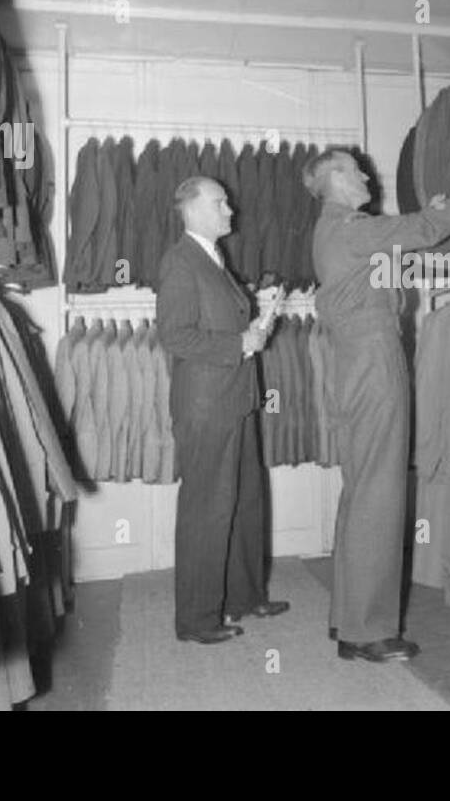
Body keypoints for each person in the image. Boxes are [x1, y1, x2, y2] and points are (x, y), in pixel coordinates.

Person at [305, 148, 450, 662]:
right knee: (381, 491)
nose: (365, 174)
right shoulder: (350, 227)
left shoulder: (341, 232)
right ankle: (369, 631)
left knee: (362, 488)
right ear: (333, 180)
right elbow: (423, 232)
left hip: (358, 361)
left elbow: (424, 250)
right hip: (374, 359)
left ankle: (348, 620)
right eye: (353, 169)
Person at [156, 176, 288, 644]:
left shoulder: (214, 259)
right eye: (220, 203)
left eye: (227, 203)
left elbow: (218, 325)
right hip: (207, 404)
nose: (230, 210)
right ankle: (196, 618)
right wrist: (240, 342)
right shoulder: (180, 262)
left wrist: (254, 328)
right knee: (207, 509)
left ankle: (244, 596)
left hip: (235, 397)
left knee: (248, 500)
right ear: (190, 209)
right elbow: (175, 335)